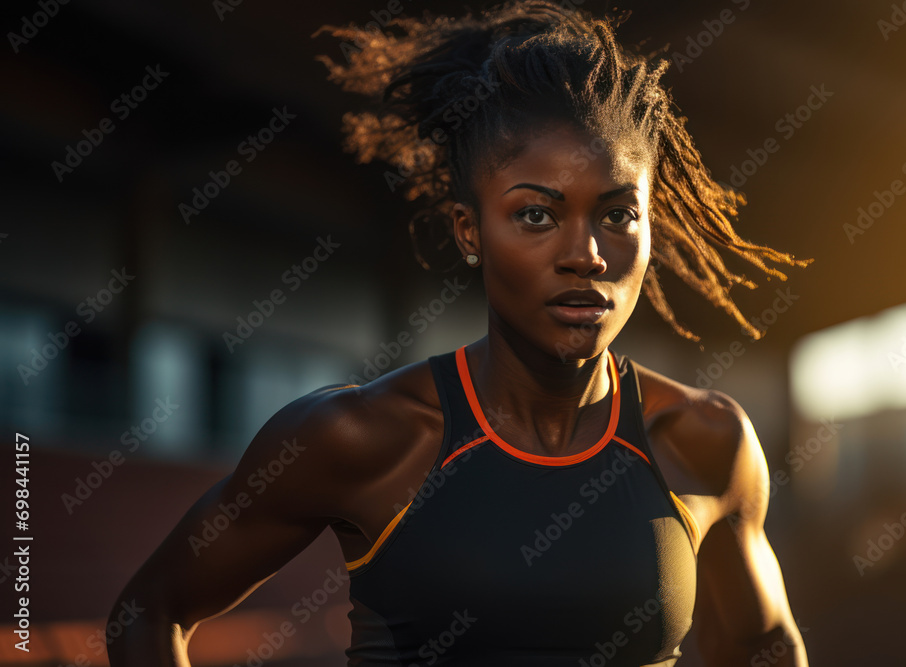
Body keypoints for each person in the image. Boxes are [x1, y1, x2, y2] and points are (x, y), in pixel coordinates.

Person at [109, 1, 812, 664]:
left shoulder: (708, 444)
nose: (587, 254)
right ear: (469, 230)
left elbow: (768, 648)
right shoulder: (362, 436)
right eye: (536, 215)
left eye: (618, 214)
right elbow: (147, 611)